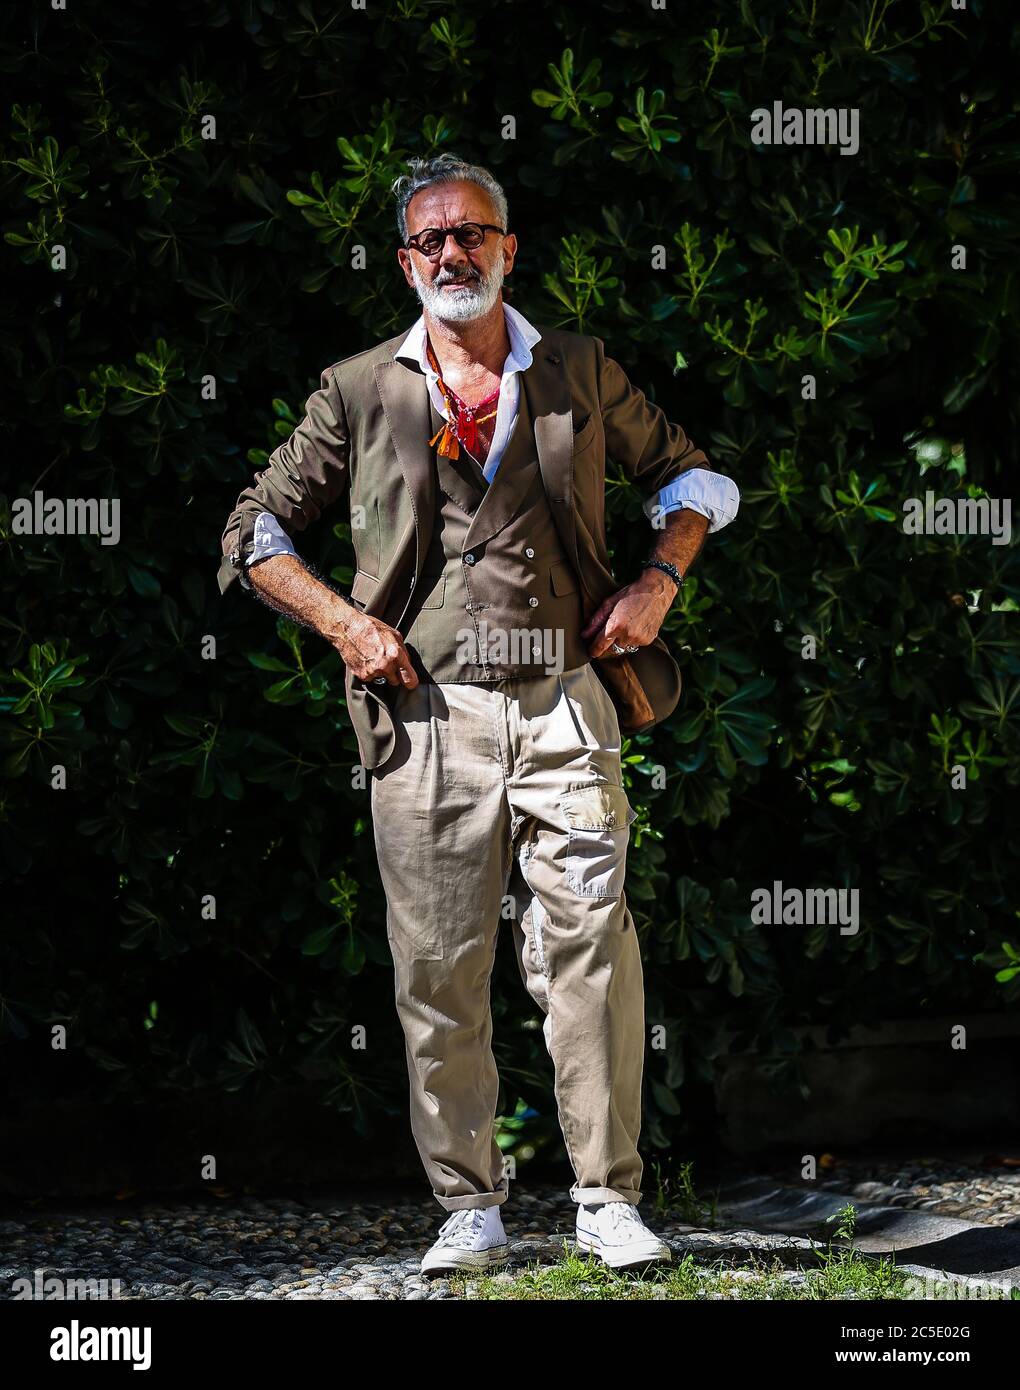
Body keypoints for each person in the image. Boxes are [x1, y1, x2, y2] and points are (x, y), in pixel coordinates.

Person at [218, 153, 739, 1275]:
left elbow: (695, 479)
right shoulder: (358, 388)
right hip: (424, 718)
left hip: (564, 704)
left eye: (476, 234)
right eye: (434, 240)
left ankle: (607, 1199)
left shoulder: (580, 371)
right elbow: (255, 531)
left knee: (592, 946)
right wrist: (350, 627)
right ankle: (471, 1204)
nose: (456, 254)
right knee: (440, 964)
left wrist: (658, 582)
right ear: (407, 262)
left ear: (511, 248)